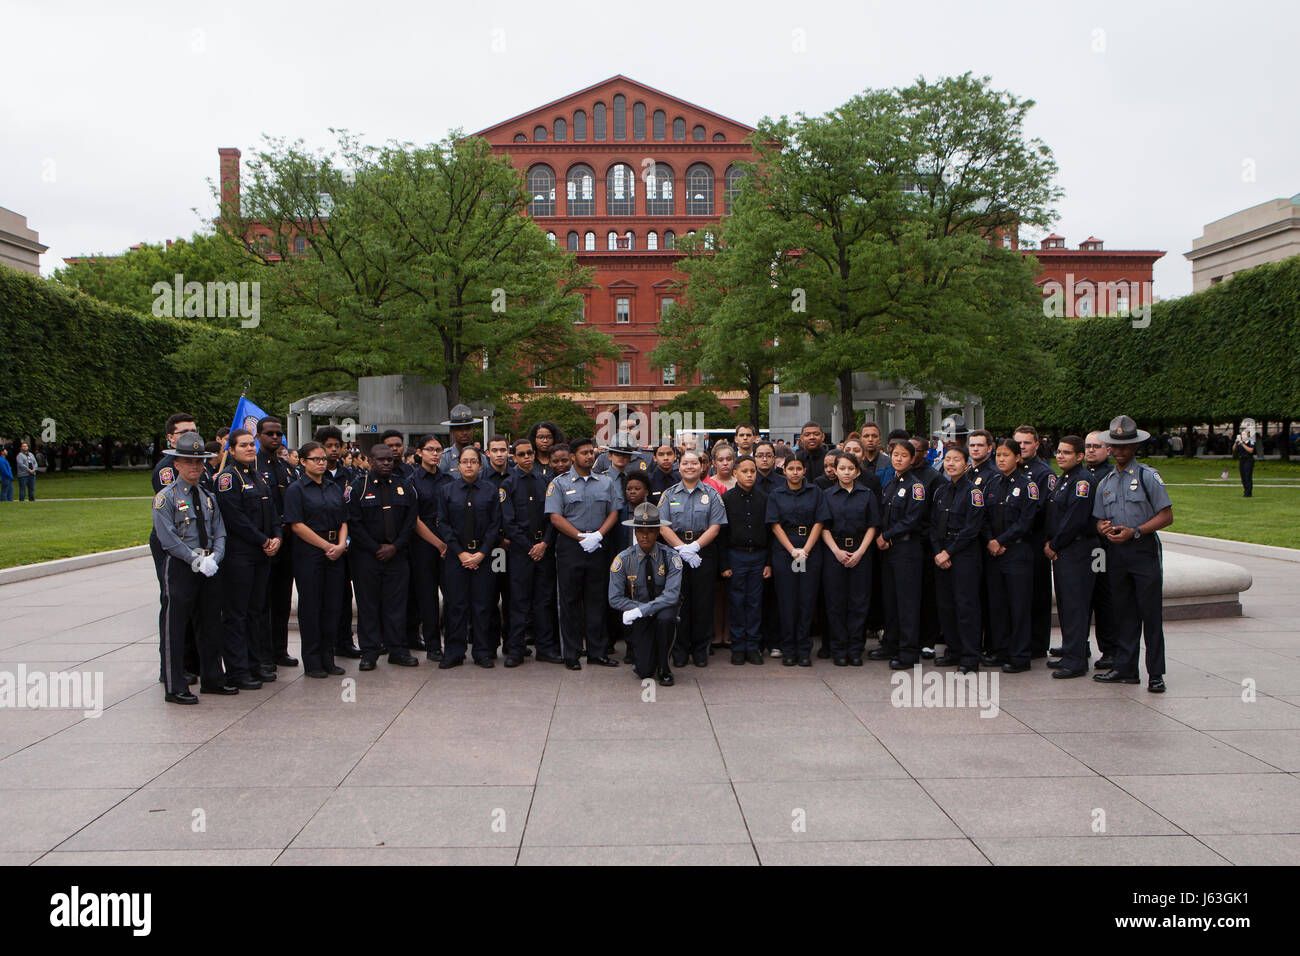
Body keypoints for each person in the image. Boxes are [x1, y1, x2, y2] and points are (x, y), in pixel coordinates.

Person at [1092, 415, 1173, 693]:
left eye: (1125, 446)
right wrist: (1102, 528)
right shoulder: (1106, 483)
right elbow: (1099, 519)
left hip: (1142, 549)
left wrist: (1137, 531)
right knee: (1123, 613)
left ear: (1135, 447)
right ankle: (1126, 669)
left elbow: (1166, 516)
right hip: (1117, 552)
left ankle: (1155, 673)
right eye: (1115, 446)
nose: (1119, 451)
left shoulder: (1148, 476)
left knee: (1150, 614)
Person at [152, 432, 229, 703]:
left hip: (209, 566)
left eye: (199, 462)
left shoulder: (208, 496)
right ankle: (175, 687)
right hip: (183, 566)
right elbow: (168, 537)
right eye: (188, 462)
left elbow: (219, 531)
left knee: (210, 623)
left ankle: (212, 678)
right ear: (177, 464)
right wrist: (196, 560)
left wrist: (214, 558)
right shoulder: (167, 497)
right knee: (176, 626)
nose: (195, 467)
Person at [546, 437, 623, 670]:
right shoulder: (559, 483)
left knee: (596, 600)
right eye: (584, 453)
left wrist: (598, 535)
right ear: (572, 457)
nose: (589, 456)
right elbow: (555, 517)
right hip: (571, 546)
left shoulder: (605, 482)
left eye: (591, 452)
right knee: (570, 601)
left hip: (598, 545)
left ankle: (596, 652)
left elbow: (614, 511)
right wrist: (581, 537)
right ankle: (571, 653)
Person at [213, 428, 279, 689]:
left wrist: (276, 536)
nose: (250, 449)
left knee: (256, 611)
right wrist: (263, 539)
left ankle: (255, 663)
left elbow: (272, 510)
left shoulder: (258, 476)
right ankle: (238, 670)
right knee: (237, 615)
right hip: (240, 555)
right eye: (243, 445)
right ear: (231, 449)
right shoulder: (227, 478)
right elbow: (235, 518)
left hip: (262, 553)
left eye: (252, 445)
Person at [347, 443, 420, 671]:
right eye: (381, 459)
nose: (387, 462)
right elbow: (353, 522)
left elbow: (410, 521)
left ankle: (397, 650)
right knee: (368, 606)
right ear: (370, 460)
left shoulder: (404, 486)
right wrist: (374, 548)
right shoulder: (358, 487)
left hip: (397, 556)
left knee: (396, 606)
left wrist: (395, 547)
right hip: (367, 557)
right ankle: (369, 652)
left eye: (389, 459)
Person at [284, 441, 348, 678]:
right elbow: (297, 525)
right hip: (310, 552)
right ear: (302, 462)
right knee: (312, 607)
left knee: (332, 606)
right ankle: (312, 661)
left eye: (324, 459)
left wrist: (341, 545)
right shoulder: (296, 489)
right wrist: (326, 546)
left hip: (335, 551)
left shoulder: (332, 487)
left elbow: (343, 519)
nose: (322, 463)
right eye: (316, 459)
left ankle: (328, 658)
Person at [658, 450, 727, 668]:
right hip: (675, 552)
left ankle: (700, 650)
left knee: (703, 602)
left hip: (703, 551)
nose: (690, 467)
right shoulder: (669, 494)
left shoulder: (712, 494)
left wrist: (695, 546)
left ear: (702, 467)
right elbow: (662, 525)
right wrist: (682, 548)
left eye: (694, 463)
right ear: (679, 467)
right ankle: (679, 650)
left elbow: (715, 526)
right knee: (679, 602)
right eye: (685, 463)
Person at [438, 444, 504, 668]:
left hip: (484, 557)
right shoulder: (447, 491)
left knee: (483, 605)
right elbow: (444, 524)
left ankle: (482, 651)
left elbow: (495, 525)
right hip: (456, 556)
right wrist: (461, 553)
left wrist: (481, 553)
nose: (469, 465)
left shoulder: (490, 490)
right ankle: (454, 652)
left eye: (473, 461)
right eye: (465, 461)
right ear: (458, 465)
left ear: (480, 464)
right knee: (455, 605)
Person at [608, 502, 684, 687]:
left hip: (663, 610)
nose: (645, 535)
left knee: (665, 619)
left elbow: (672, 595)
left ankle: (665, 668)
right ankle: (646, 660)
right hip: (639, 613)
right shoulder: (624, 559)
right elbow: (615, 598)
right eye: (640, 530)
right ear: (634, 532)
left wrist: (646, 610)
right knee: (644, 672)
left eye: (650, 530)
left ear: (658, 531)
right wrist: (639, 610)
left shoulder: (671, 557)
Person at [151, 413, 201, 684]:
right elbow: (176, 503)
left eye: (193, 430)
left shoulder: (196, 461)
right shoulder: (167, 467)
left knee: (194, 604)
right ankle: (171, 668)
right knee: (175, 604)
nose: (189, 434)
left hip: (195, 543)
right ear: (170, 437)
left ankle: (192, 663)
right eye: (182, 432)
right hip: (174, 542)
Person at [766, 455, 830, 666]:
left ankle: (804, 648)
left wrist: (805, 550)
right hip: (785, 549)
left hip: (810, 548)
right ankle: (788, 648)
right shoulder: (776, 494)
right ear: (784, 471)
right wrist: (793, 550)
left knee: (806, 600)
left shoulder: (815, 492)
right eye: (790, 468)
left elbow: (820, 522)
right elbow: (775, 525)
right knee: (787, 600)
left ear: (804, 470)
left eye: (798, 468)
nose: (794, 472)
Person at [982, 439, 1040, 673]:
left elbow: (1026, 521)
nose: (1001, 459)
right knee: (998, 605)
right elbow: (983, 516)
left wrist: (1001, 541)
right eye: (998, 456)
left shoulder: (1028, 486)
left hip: (1016, 551)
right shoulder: (993, 484)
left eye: (1006, 455)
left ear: (1017, 458)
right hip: (994, 552)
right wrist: (990, 540)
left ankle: (1020, 655)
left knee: (1019, 606)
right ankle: (1001, 649)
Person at [502, 437, 560, 667]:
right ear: (514, 457)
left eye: (529, 453)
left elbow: (552, 517)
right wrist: (529, 548)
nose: (526, 458)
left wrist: (544, 544)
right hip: (521, 552)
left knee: (543, 601)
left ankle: (545, 648)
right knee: (519, 602)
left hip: (542, 549)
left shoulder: (545, 482)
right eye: (521, 454)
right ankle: (515, 649)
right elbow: (508, 522)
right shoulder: (508, 484)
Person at [872, 437, 929, 669]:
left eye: (904, 456)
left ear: (912, 458)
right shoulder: (890, 484)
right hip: (889, 550)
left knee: (907, 602)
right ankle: (891, 644)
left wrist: (887, 536)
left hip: (906, 548)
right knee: (891, 599)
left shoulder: (915, 487)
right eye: (895, 455)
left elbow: (912, 519)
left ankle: (908, 651)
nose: (899, 459)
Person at [1044, 436, 1097, 679]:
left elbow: (1074, 519)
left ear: (1080, 456)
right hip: (1064, 550)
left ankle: (1076, 660)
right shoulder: (1065, 478)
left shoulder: (1083, 481)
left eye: (1067, 452)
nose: (1061, 456)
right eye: (1059, 451)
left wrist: (1054, 544)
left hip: (1076, 550)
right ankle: (1070, 650)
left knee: (1075, 605)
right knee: (1066, 603)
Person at [821, 450, 880, 667]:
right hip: (834, 551)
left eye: (850, 469)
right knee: (835, 602)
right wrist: (836, 551)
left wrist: (860, 552)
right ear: (834, 471)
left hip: (860, 552)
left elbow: (873, 525)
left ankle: (856, 648)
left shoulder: (867, 494)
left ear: (857, 472)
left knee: (859, 602)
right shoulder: (826, 495)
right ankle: (839, 649)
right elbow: (823, 526)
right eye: (842, 468)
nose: (846, 472)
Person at [929, 446, 985, 673]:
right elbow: (932, 525)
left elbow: (971, 529)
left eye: (956, 460)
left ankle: (970, 656)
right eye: (948, 460)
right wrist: (937, 552)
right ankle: (953, 650)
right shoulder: (940, 491)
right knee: (946, 606)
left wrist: (948, 552)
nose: (950, 464)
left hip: (963, 555)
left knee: (966, 606)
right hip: (941, 554)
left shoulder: (974, 493)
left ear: (967, 464)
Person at [256, 417, 299, 670]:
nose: (275, 437)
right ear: (259, 436)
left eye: (279, 434)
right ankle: (263, 655)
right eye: (270, 433)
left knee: (282, 600)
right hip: (266, 543)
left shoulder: (286, 467)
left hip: (288, 543)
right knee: (263, 603)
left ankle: (279, 650)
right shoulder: (252, 466)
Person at [316, 425, 361, 659]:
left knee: (344, 595)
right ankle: (326, 643)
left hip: (347, 544)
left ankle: (344, 641)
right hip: (320, 544)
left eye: (337, 446)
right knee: (322, 598)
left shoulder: (351, 475)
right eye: (328, 446)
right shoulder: (313, 475)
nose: (333, 450)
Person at [721, 455, 771, 665]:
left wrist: (768, 562)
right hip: (736, 555)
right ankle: (738, 645)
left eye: (752, 471)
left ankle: (753, 645)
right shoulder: (727, 499)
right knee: (736, 600)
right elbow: (722, 534)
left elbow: (770, 532)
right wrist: (724, 564)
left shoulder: (764, 498)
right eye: (744, 471)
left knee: (754, 601)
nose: (749, 475)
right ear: (735, 474)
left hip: (758, 556)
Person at [1014, 425, 1056, 658]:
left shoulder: (1043, 473)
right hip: (1017, 543)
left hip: (1034, 541)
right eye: (1018, 442)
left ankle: (1038, 644)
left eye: (1027, 442)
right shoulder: (1013, 470)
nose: (1022, 446)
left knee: (1037, 594)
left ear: (1037, 445)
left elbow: (1042, 510)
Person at [410, 434, 451, 661]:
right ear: (419, 453)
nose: (435, 454)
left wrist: (448, 543)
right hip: (424, 544)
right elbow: (413, 519)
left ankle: (453, 641)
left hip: (448, 543)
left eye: (438, 450)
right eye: (430, 449)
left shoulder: (447, 479)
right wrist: (437, 543)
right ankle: (433, 645)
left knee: (452, 596)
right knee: (427, 598)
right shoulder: (413, 481)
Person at [439, 404, 488, 474]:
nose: (464, 432)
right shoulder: (444, 459)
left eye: (467, 428)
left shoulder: (482, 459)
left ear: (472, 430)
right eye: (459, 429)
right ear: (452, 431)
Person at [1235, 422, 1256, 498]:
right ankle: (1245, 490)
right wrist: (1236, 443)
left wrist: (1243, 444)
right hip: (1241, 459)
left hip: (1248, 459)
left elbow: (1251, 450)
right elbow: (1234, 449)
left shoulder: (1251, 441)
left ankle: (1248, 492)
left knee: (1248, 476)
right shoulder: (1240, 441)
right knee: (1243, 476)